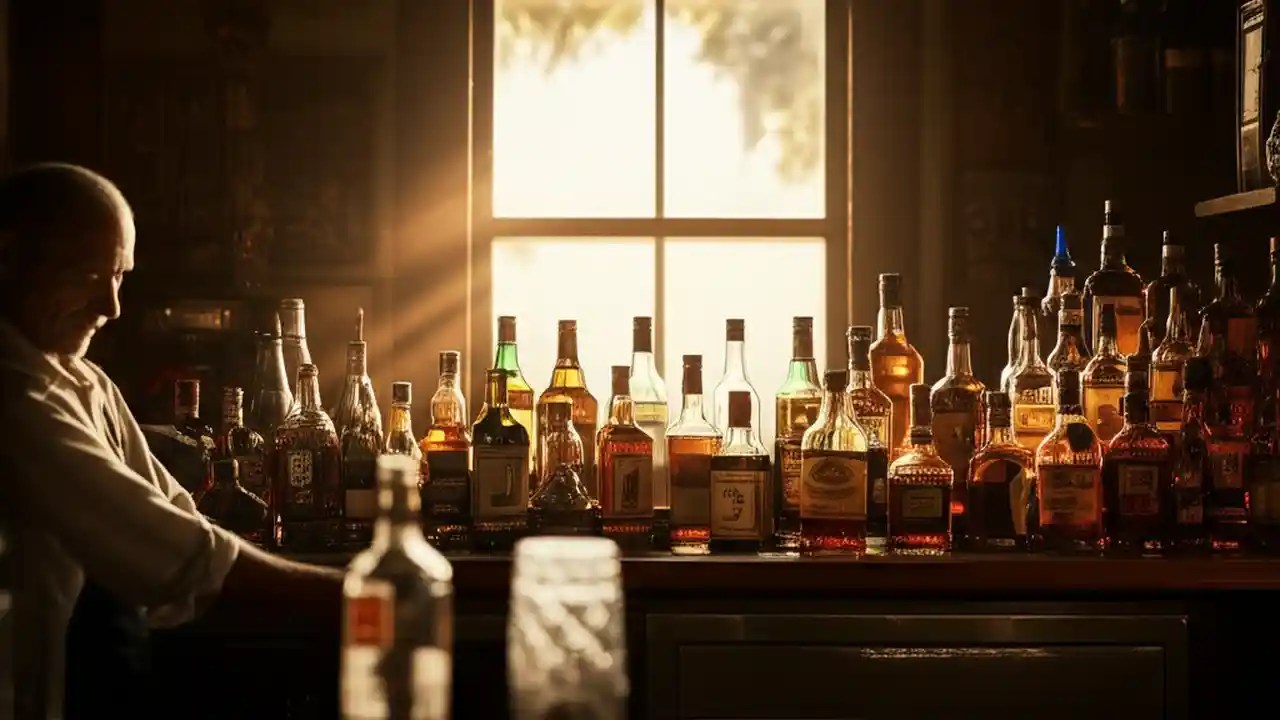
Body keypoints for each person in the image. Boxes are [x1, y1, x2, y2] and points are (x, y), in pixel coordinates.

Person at [0, 163, 344, 719]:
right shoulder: (15, 400)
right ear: (9, 257)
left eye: (120, 277)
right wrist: (370, 600)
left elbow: (181, 517)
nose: (111, 307)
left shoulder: (84, 380)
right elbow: (188, 560)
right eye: (90, 276)